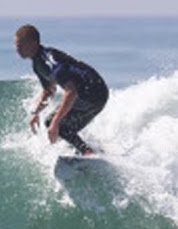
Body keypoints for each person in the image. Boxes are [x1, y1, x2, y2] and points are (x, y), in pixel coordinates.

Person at [13, 24, 108, 156]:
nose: (16, 49)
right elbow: (49, 90)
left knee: (55, 124)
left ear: (32, 43)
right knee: (63, 128)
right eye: (16, 45)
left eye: (19, 45)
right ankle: (96, 153)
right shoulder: (37, 64)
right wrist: (36, 114)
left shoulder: (50, 60)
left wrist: (55, 122)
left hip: (92, 91)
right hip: (96, 95)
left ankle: (87, 152)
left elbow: (71, 92)